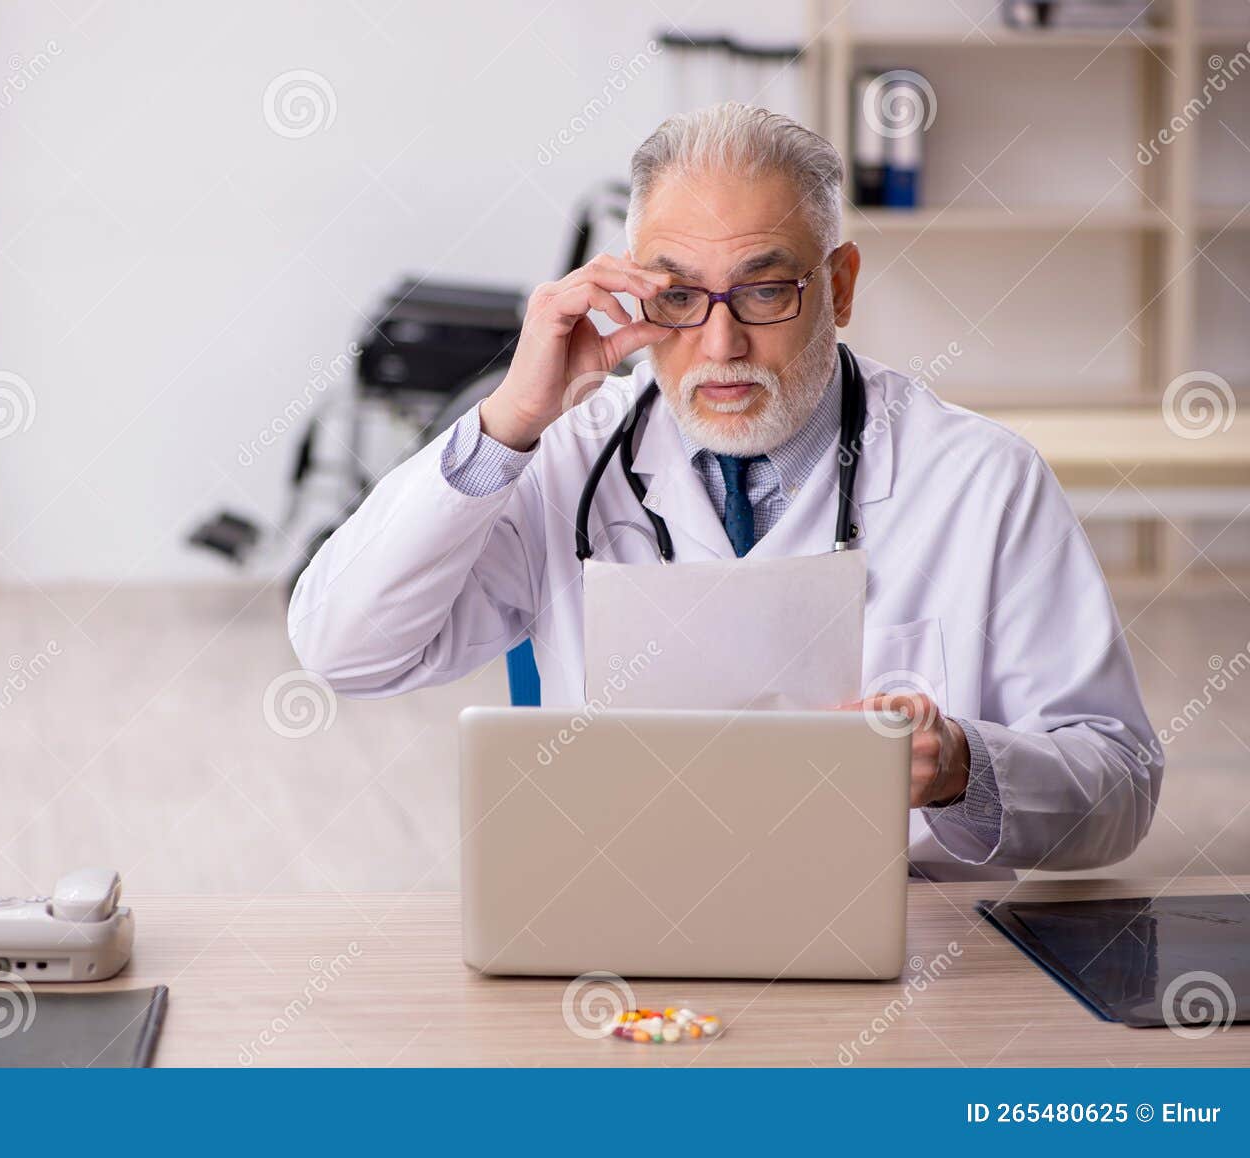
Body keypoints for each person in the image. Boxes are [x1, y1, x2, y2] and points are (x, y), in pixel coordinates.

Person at [286, 101, 1160, 881]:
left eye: (766, 290)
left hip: (911, 948)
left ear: (841, 285)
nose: (719, 344)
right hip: (619, 935)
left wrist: (965, 766)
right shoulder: (563, 455)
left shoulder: (980, 480)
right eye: (676, 296)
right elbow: (346, 650)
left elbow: (1120, 782)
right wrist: (510, 417)